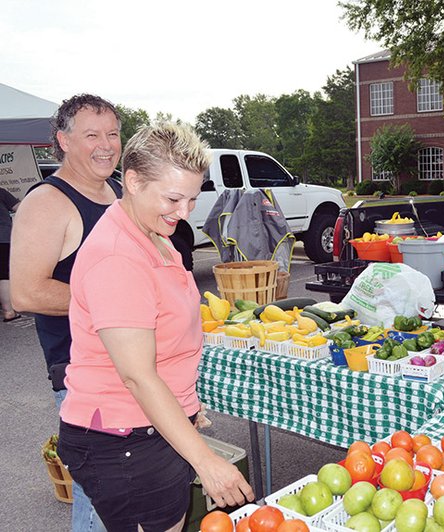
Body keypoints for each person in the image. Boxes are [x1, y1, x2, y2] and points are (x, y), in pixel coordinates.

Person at [56, 122, 254, 531]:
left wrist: (185, 408)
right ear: (132, 181)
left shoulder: (153, 232)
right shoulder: (119, 257)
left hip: (153, 428)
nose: (184, 213)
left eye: (193, 199)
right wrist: (206, 460)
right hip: (123, 437)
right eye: (173, 198)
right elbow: (138, 375)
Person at [10, 94, 124, 531]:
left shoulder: (117, 192)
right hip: (84, 374)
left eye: (112, 133)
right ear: (62, 140)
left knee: (133, 490)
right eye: (91, 134)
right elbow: (27, 293)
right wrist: (114, 303)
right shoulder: (48, 202)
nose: (106, 144)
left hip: (131, 365)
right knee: (101, 498)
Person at [0, 187, 21, 321]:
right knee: (4, 275)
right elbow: (19, 207)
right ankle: (9, 311)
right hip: (2, 238)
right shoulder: (1, 192)